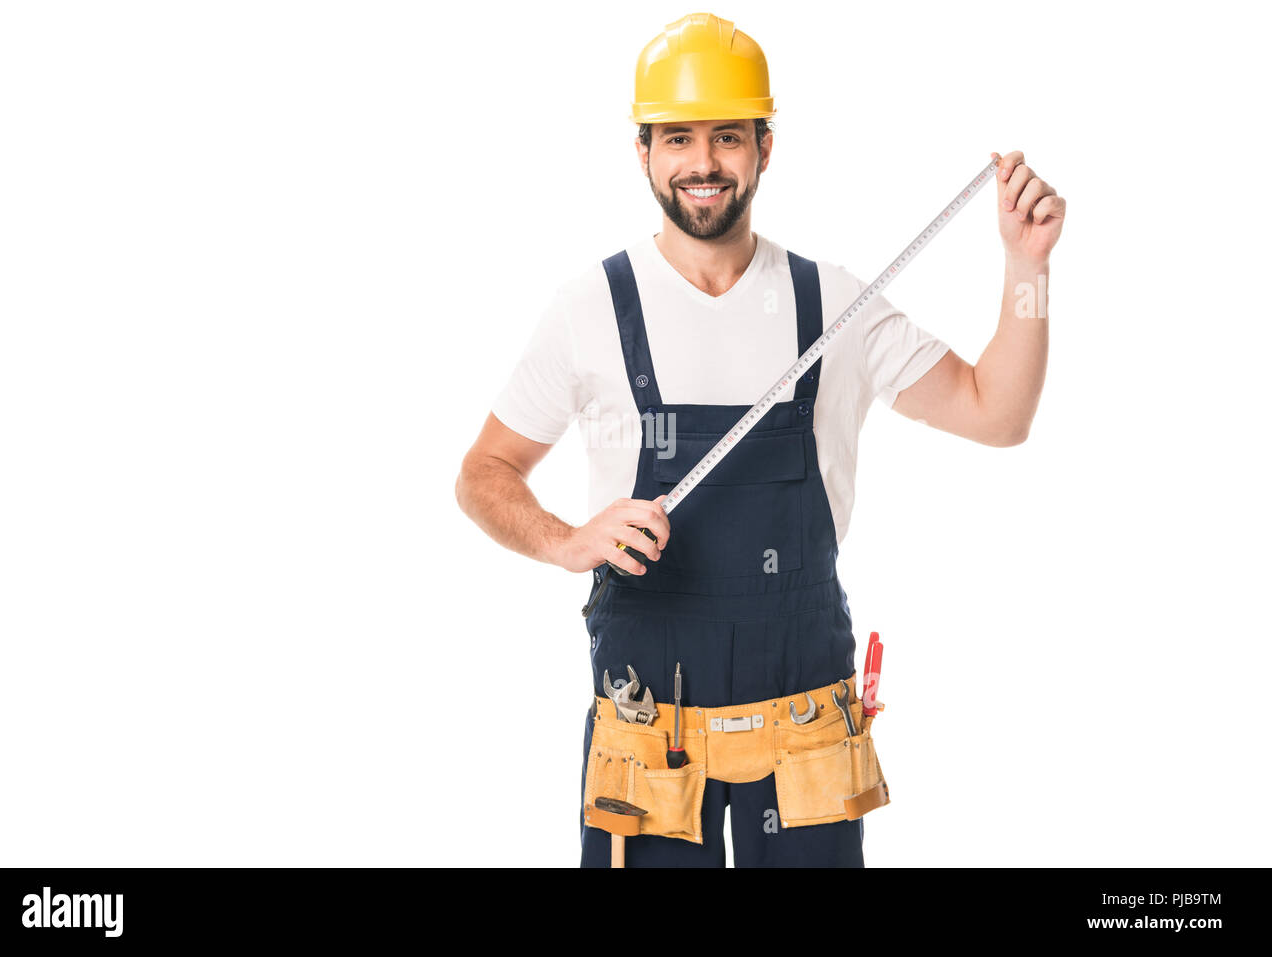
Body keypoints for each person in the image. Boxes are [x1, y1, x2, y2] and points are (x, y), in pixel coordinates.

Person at [455, 12, 1063, 867]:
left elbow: (998, 414)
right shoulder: (587, 309)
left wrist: (1027, 267)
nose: (702, 163)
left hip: (806, 743)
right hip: (647, 742)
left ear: (765, 148)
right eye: (677, 138)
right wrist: (567, 541)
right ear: (644, 152)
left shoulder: (834, 305)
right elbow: (483, 472)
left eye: (727, 137)